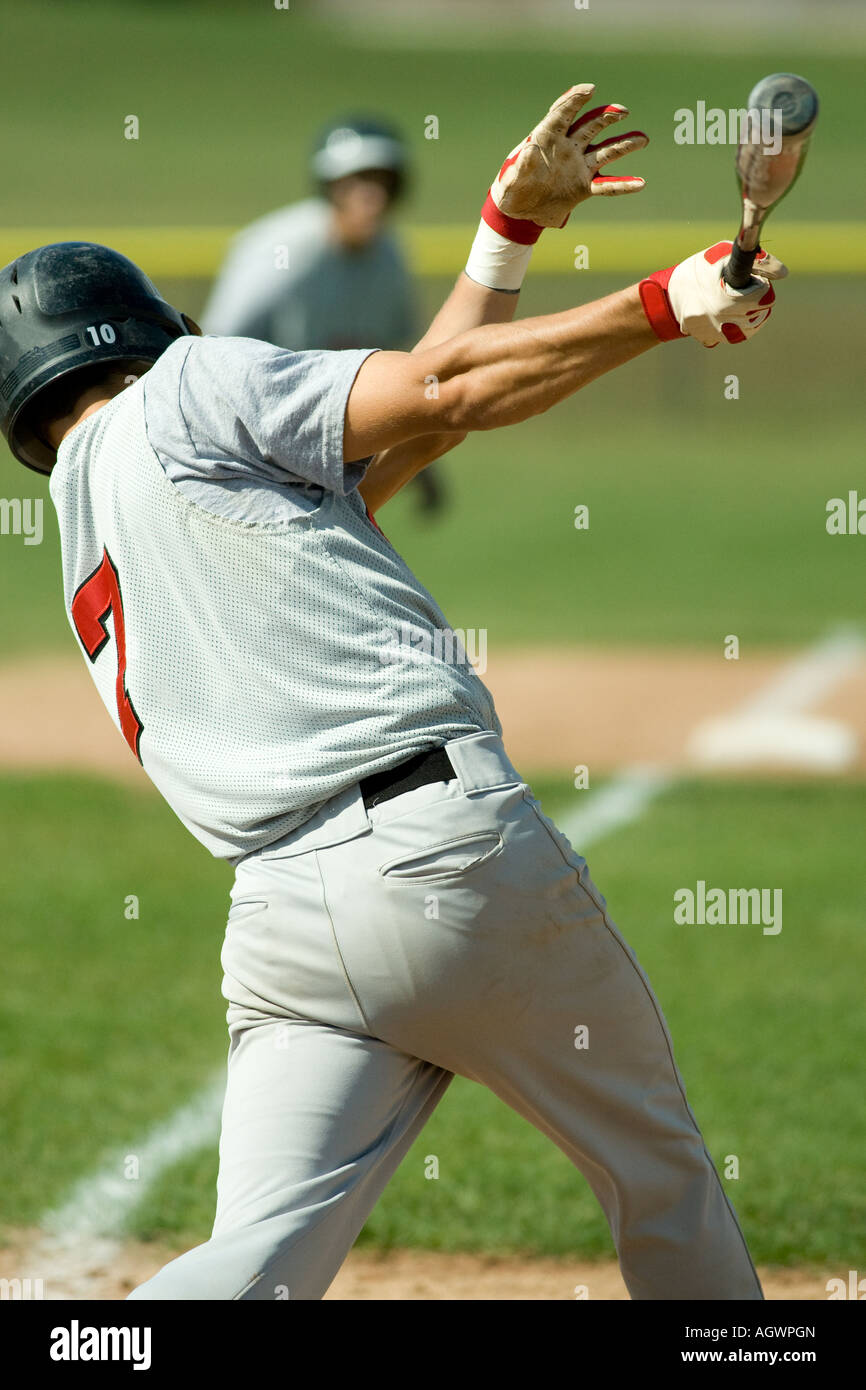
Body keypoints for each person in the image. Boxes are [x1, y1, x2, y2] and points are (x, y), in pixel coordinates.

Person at [2, 84, 783, 1301]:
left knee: (254, 1265)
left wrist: (504, 232)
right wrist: (658, 306)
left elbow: (413, 414)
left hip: (282, 934)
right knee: (658, 1174)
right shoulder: (188, 391)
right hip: (443, 860)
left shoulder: (91, 523)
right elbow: (446, 394)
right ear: (136, 332)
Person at [202, 114, 444, 512]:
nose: (372, 196)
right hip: (248, 445)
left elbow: (394, 366)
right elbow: (211, 351)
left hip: (325, 445)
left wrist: (421, 462)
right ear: (331, 189)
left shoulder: (390, 255)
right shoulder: (283, 251)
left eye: (382, 182)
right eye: (356, 183)